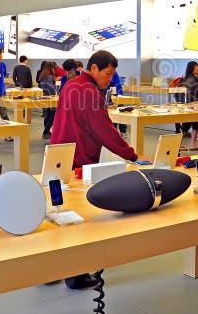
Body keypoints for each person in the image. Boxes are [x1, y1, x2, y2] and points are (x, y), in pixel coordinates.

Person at [51, 50, 139, 290]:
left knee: (58, 212)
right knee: (81, 217)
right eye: (108, 74)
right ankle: (76, 274)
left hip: (57, 154)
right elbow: (104, 130)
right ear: (94, 68)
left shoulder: (70, 85)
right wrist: (131, 155)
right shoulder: (90, 92)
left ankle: (49, 270)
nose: (109, 80)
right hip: (79, 158)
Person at [180, 61, 198, 150]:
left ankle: (192, 145)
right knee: (188, 126)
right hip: (194, 106)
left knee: (193, 125)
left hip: (187, 105)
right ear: (192, 68)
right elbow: (197, 94)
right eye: (197, 66)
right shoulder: (196, 79)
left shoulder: (185, 78)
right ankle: (182, 144)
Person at [37, 61, 58, 139]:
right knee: (52, 115)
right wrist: (55, 93)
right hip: (51, 98)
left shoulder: (42, 76)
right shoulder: (49, 77)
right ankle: (46, 131)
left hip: (44, 98)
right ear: (51, 68)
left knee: (47, 115)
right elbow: (50, 87)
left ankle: (47, 131)